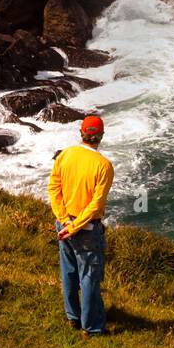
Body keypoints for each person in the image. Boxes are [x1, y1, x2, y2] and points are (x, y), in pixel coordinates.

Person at [47, 115, 114, 335]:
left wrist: (64, 220)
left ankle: (73, 317)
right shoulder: (104, 166)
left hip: (63, 223)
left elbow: (53, 189)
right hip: (85, 228)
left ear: (81, 133)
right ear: (101, 136)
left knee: (68, 271)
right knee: (89, 276)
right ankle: (92, 326)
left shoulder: (65, 155)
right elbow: (95, 205)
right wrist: (74, 226)